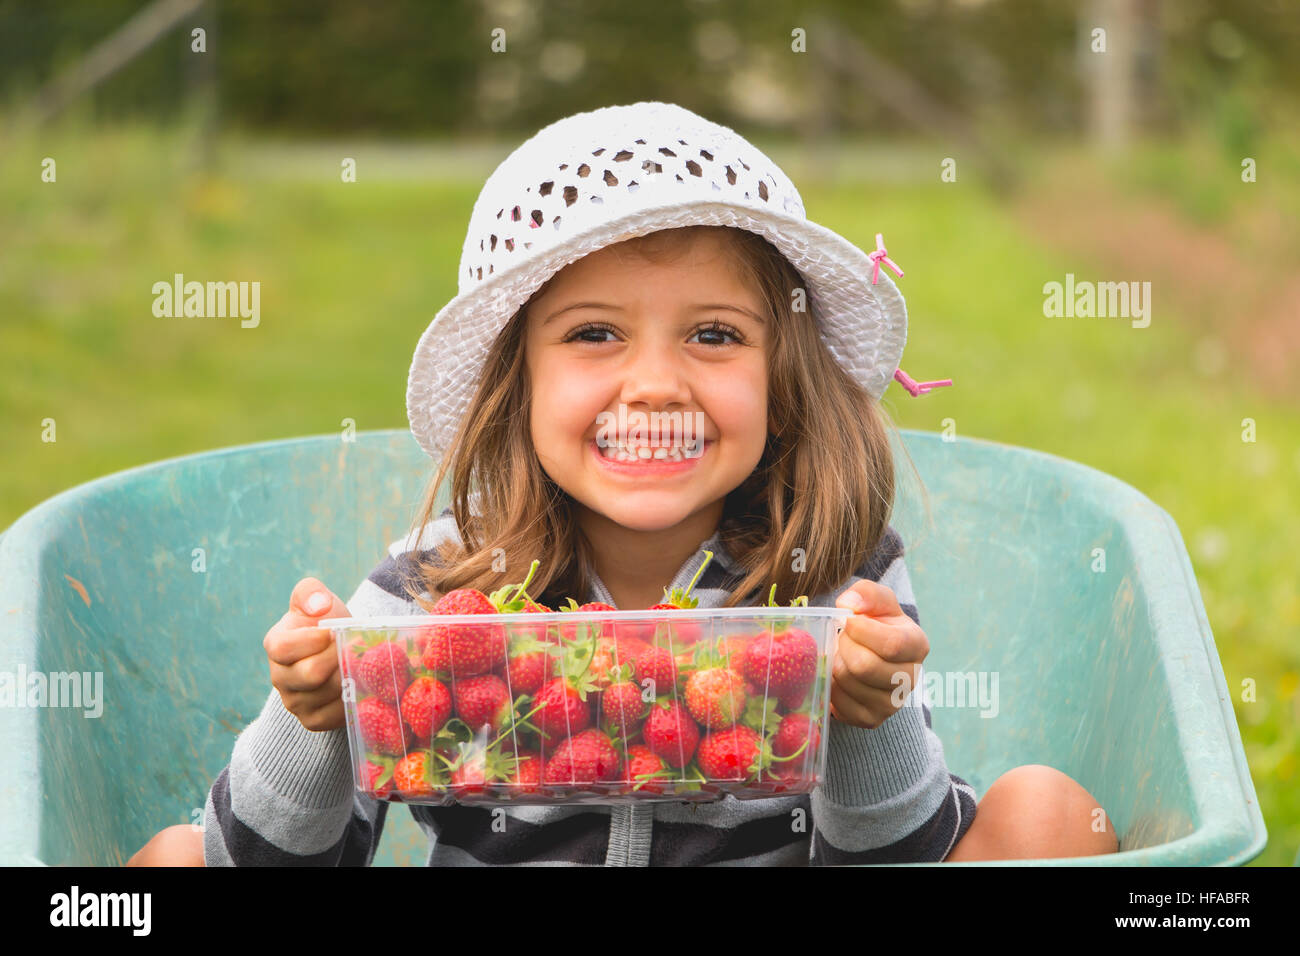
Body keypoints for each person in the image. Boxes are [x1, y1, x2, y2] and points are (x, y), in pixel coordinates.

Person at [128, 101, 1118, 866]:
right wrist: (315, 718)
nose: (652, 381)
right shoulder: (432, 597)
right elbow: (258, 860)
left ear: (783, 376)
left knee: (1045, 815)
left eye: (714, 334)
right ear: (518, 387)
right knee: (169, 862)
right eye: (594, 333)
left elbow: (900, 857)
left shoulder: (833, 584)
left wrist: (874, 711)